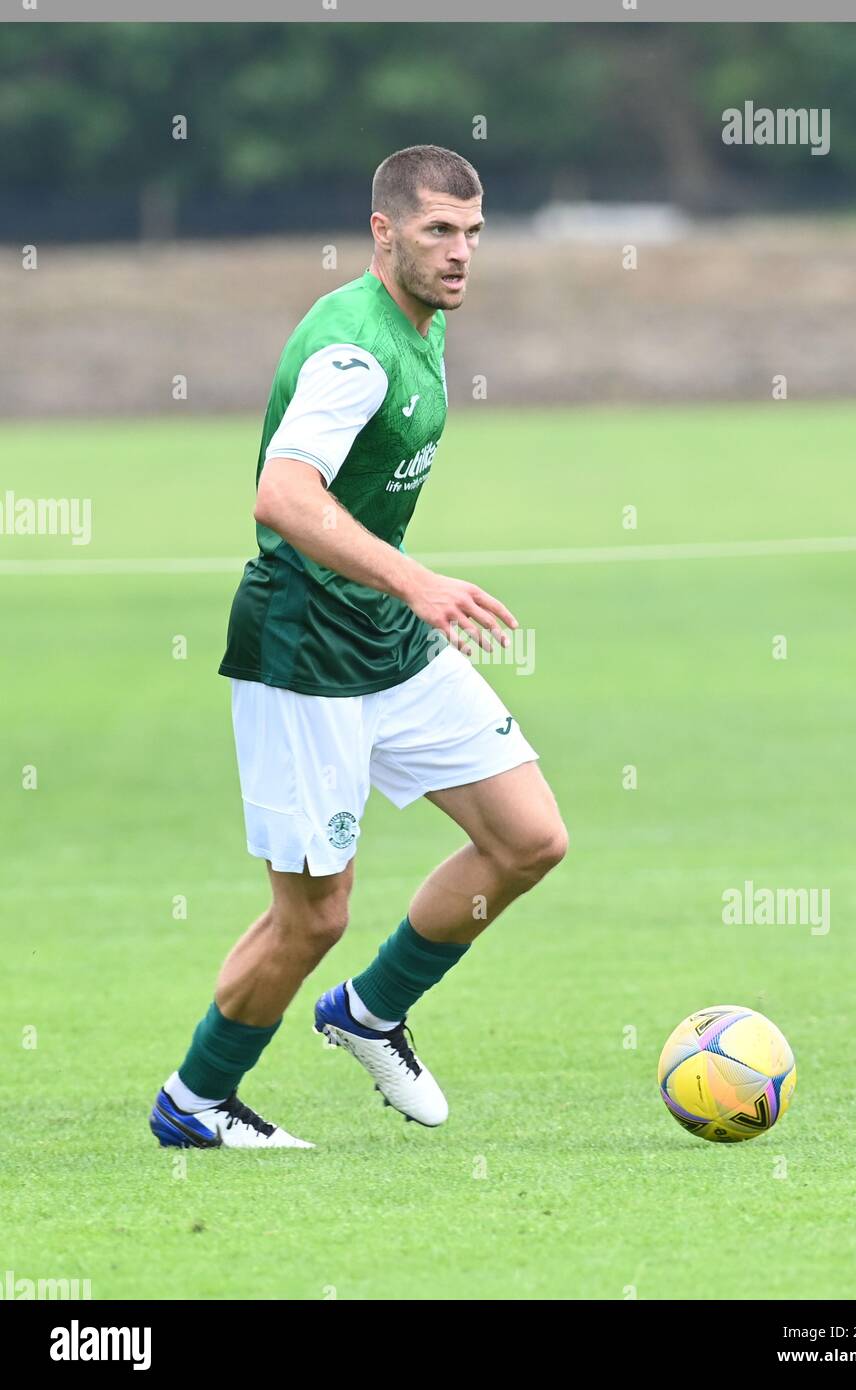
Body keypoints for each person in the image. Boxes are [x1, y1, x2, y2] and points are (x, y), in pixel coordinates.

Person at [149, 144, 568, 1149]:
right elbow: (284, 494)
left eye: (472, 231)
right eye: (437, 231)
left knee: (527, 837)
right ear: (383, 232)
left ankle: (370, 1011)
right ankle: (196, 1101)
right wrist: (416, 577)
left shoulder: (418, 325)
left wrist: (399, 590)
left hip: (385, 637)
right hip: (305, 649)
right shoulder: (353, 351)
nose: (460, 251)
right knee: (312, 917)